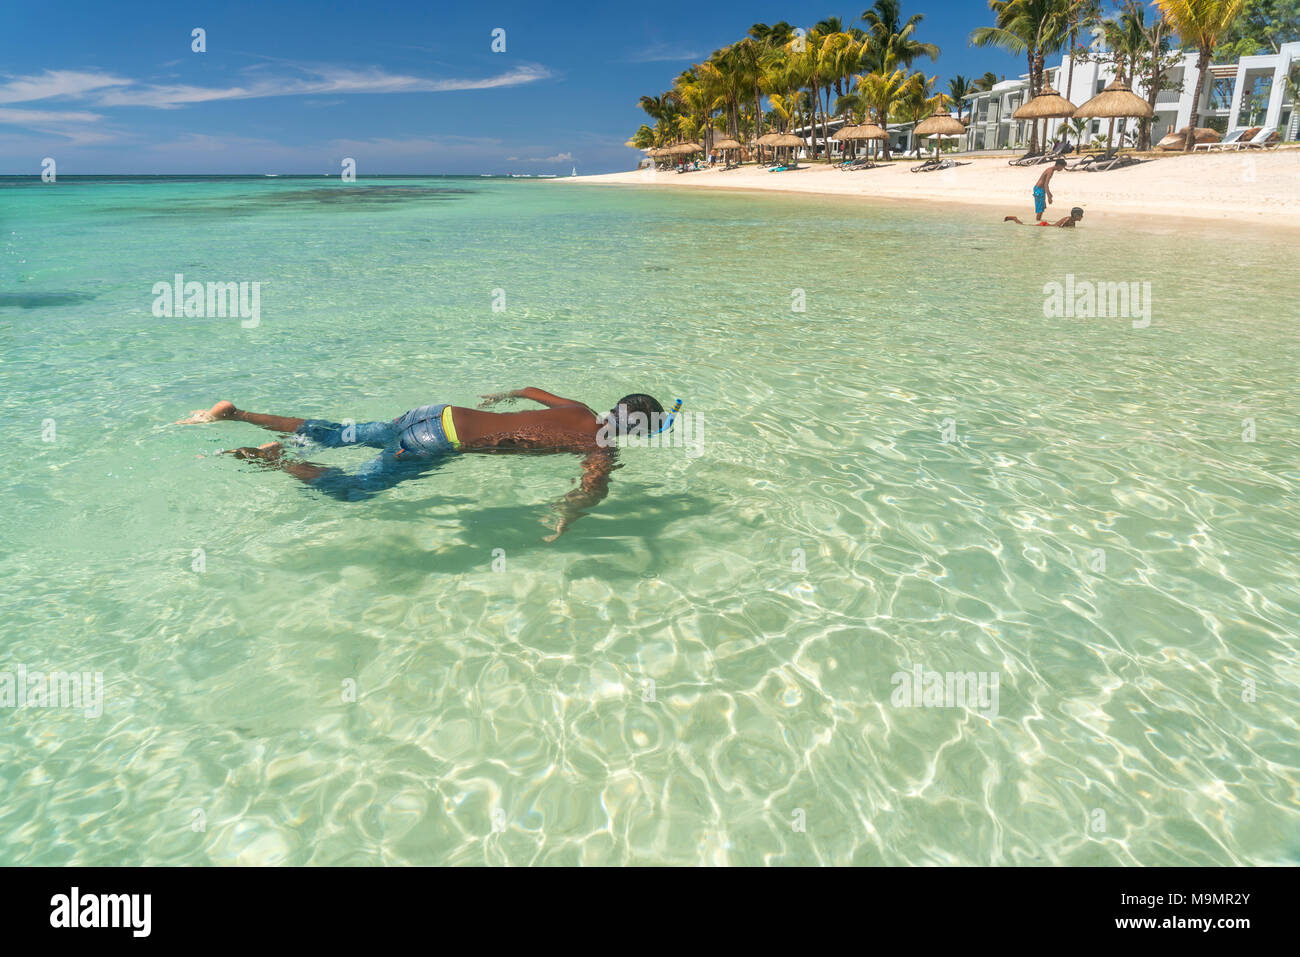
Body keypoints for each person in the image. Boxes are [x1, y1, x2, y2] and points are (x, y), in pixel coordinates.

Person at [177, 390, 672, 540]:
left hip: (435, 413)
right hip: (434, 441)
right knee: (351, 491)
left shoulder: (582, 411)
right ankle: (277, 462)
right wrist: (567, 518)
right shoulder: (602, 449)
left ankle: (234, 413)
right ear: (636, 429)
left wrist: (501, 395)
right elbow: (590, 490)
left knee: (331, 432)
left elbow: (531, 390)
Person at [1004, 207, 1084, 228]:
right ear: (1076, 215)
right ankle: (1015, 218)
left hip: (1048, 226)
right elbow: (1060, 227)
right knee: (1024, 226)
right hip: (1045, 225)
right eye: (1081, 215)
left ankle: (1015, 219)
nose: (1082, 217)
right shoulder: (1068, 219)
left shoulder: (1073, 221)